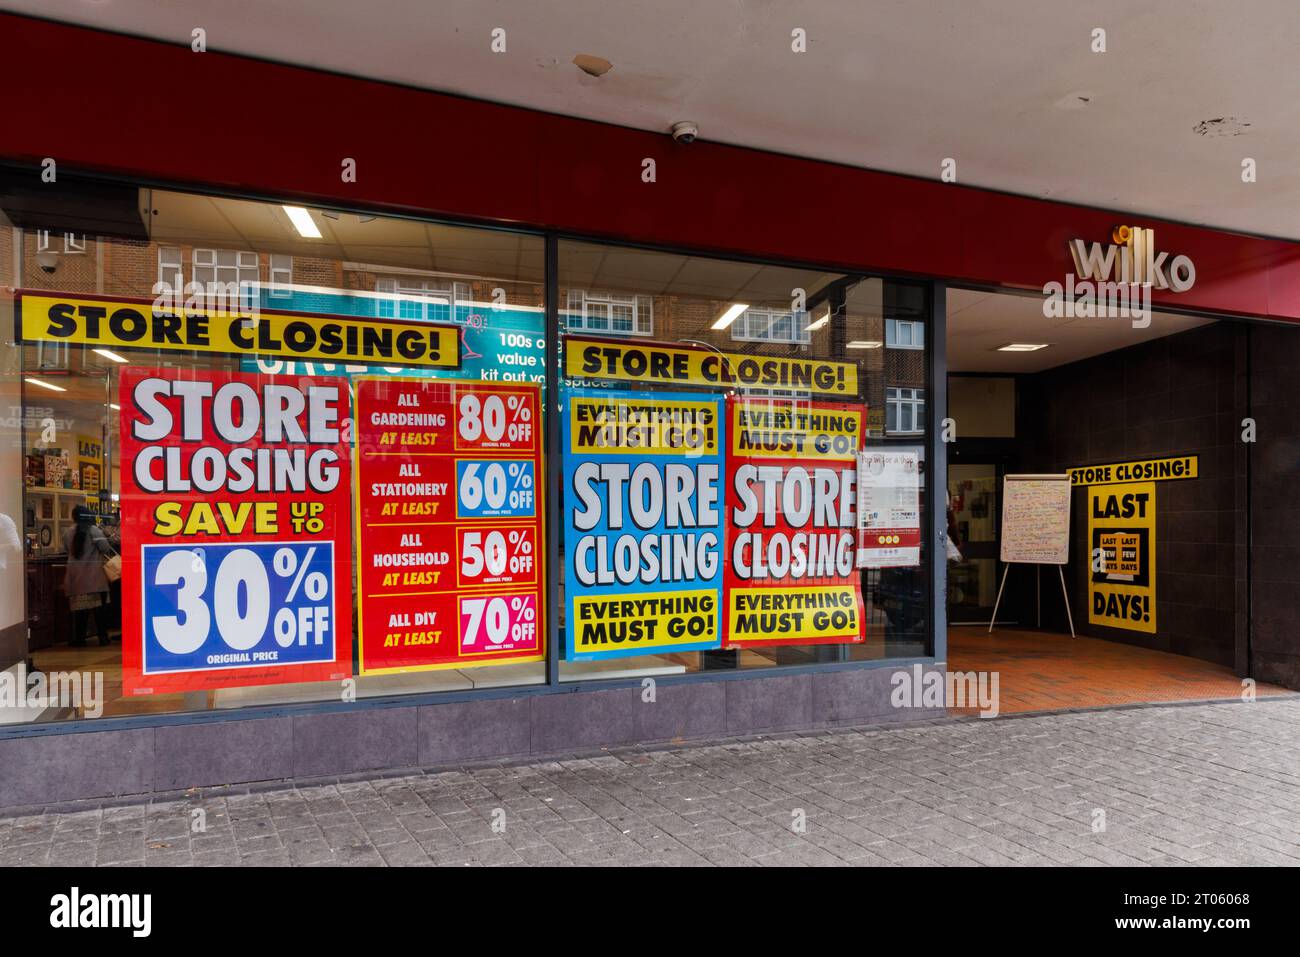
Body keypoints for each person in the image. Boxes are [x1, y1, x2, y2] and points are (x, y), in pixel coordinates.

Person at [63, 505, 115, 647]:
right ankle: (103, 637)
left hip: (75, 577)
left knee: (80, 612)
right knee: (100, 611)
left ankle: (80, 639)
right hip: (94, 576)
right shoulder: (94, 530)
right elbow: (105, 548)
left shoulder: (68, 532)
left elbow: (66, 549)